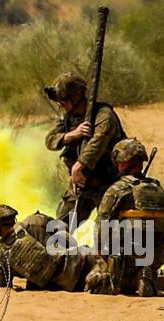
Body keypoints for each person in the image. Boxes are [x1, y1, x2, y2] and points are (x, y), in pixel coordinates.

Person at [86, 139, 164, 296]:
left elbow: (101, 226)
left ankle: (131, 279)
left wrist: (100, 255)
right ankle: (150, 277)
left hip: (121, 259)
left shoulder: (117, 190)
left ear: (122, 163)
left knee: (93, 280)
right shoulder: (161, 191)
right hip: (154, 256)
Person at [42, 71, 126, 225]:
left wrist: (78, 166)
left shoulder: (104, 115)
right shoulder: (70, 118)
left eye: (64, 101)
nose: (61, 105)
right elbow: (50, 140)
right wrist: (73, 134)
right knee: (61, 229)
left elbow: (98, 141)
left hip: (108, 185)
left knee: (111, 232)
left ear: (76, 98)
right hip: (81, 185)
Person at [0, 203, 94, 291]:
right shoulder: (34, 221)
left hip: (54, 286)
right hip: (81, 267)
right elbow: (65, 232)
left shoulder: (1, 255)